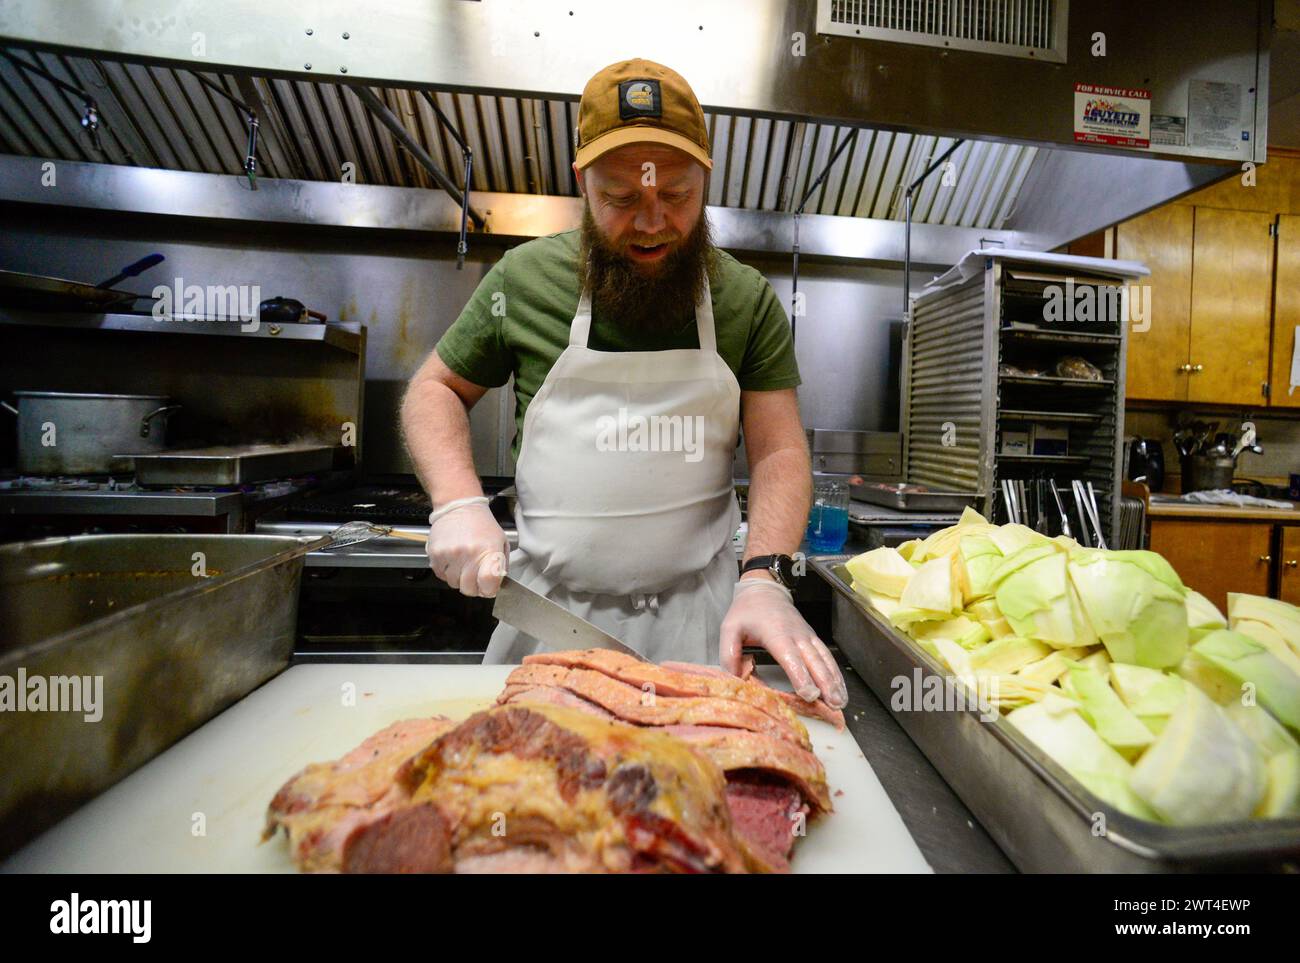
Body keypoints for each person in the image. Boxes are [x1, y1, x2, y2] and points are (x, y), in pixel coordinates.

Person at [401, 58, 846, 709]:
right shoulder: (524, 281)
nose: (651, 222)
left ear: (706, 180)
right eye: (622, 198)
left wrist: (766, 578)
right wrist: (457, 501)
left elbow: (778, 449)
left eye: (677, 195)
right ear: (582, 182)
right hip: (550, 627)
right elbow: (432, 389)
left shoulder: (744, 299)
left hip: (702, 631)